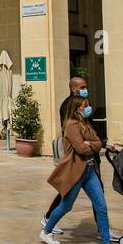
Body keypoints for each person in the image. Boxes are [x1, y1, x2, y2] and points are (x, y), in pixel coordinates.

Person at [41, 96, 123, 244]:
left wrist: (92, 144)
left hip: (90, 170)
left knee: (101, 207)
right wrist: (92, 145)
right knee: (66, 206)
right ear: (77, 108)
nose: (88, 108)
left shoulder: (86, 124)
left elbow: (97, 142)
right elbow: (81, 149)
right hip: (76, 171)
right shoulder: (71, 126)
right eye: (85, 106)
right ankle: (46, 231)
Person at [41, 76, 87, 235]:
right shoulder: (69, 105)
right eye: (82, 87)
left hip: (85, 155)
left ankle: (104, 226)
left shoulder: (81, 104)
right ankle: (48, 219)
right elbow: (72, 129)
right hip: (75, 153)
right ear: (74, 89)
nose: (85, 89)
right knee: (67, 189)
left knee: (95, 192)